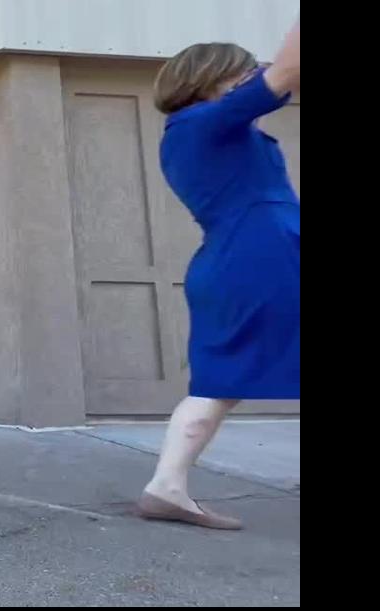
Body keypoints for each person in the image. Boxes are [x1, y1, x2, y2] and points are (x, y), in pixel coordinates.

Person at [138, 17, 300, 530]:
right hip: (260, 260)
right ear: (210, 80)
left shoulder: (208, 133)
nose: (257, 75)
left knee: (217, 381)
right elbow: (288, 68)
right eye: (244, 71)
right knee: (218, 383)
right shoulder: (202, 125)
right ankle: (166, 487)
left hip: (245, 259)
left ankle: (166, 485)